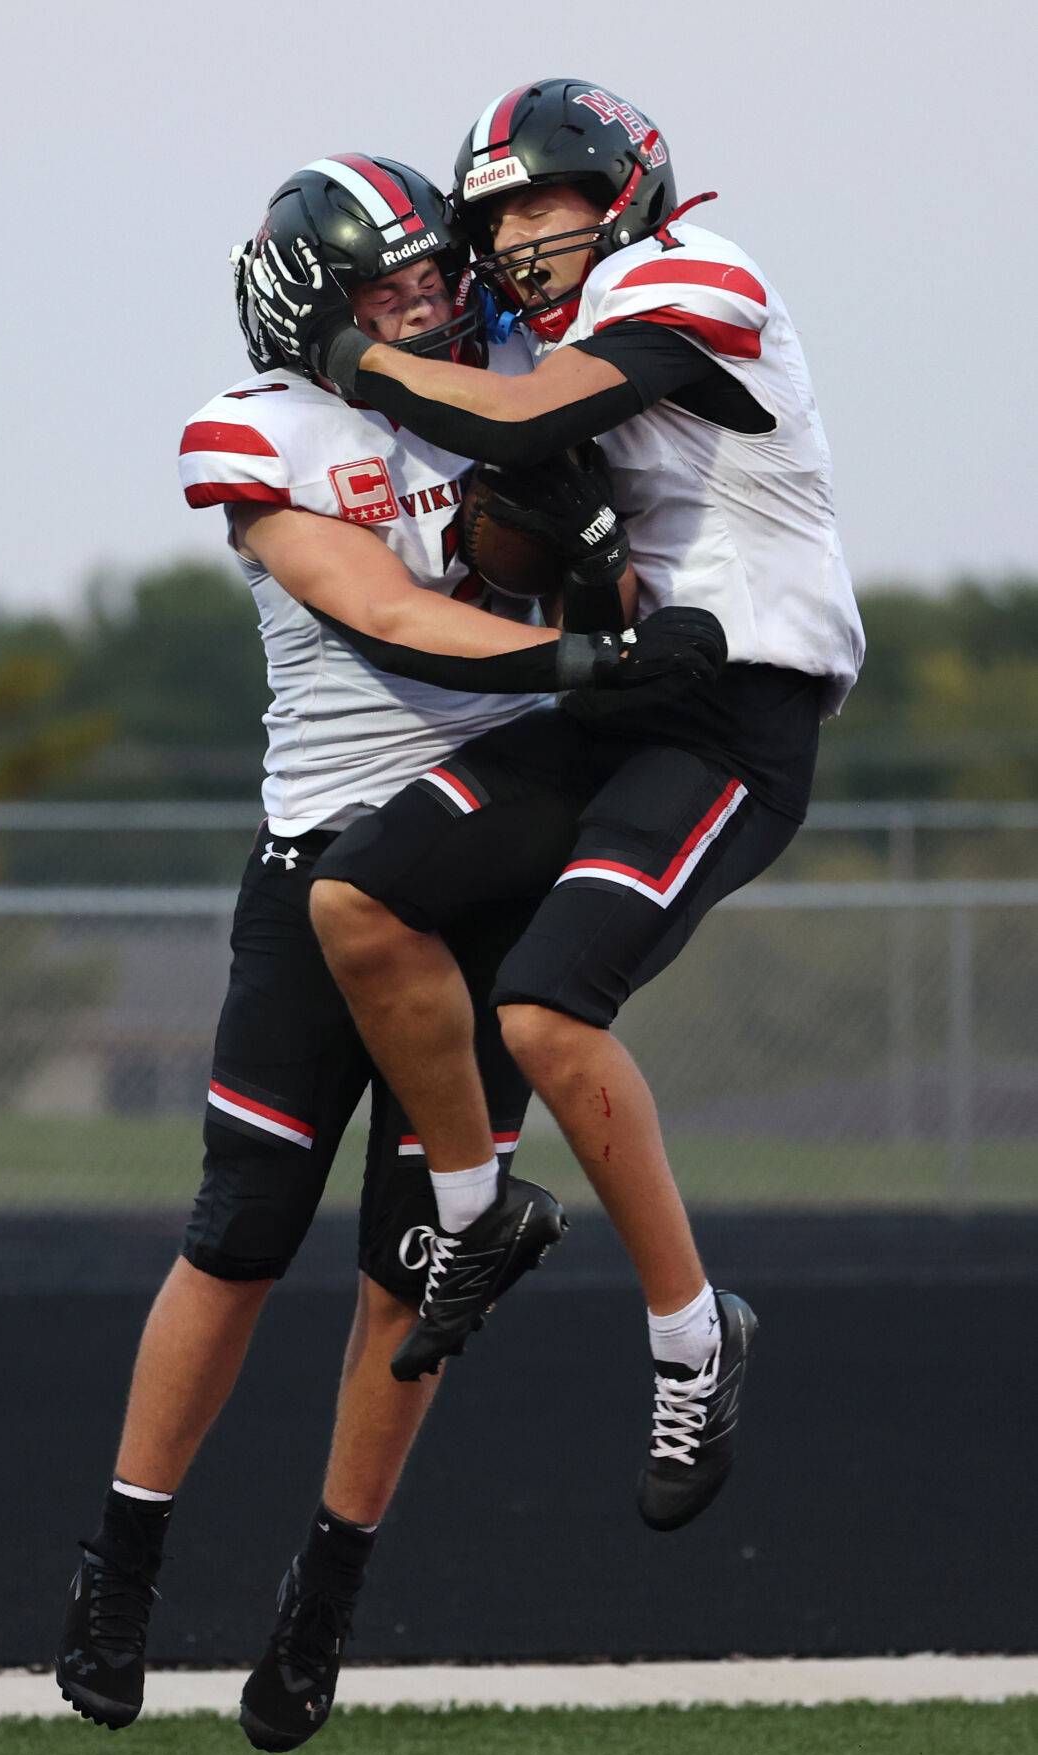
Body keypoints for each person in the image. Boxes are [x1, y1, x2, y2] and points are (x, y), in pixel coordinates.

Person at [53, 151, 719, 1754]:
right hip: (329, 869)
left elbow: (601, 548)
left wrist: (597, 574)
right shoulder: (262, 429)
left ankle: (325, 1599)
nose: (424, 304)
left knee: (417, 1267)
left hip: (484, 864)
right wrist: (591, 659)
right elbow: (391, 615)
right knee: (238, 1236)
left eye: (433, 276)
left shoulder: (508, 387)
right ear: (311, 307)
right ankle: (122, 1564)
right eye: (387, 286)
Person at [255, 80, 866, 1533]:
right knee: (357, 893)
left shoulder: (696, 271)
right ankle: (476, 1214)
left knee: (540, 1008)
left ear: (624, 188)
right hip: (625, 694)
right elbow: (549, 543)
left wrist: (344, 348)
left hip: (738, 710)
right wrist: (566, 556)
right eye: (503, 217)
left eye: (547, 202)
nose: (522, 236)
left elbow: (533, 414)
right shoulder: (543, 329)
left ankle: (693, 1338)